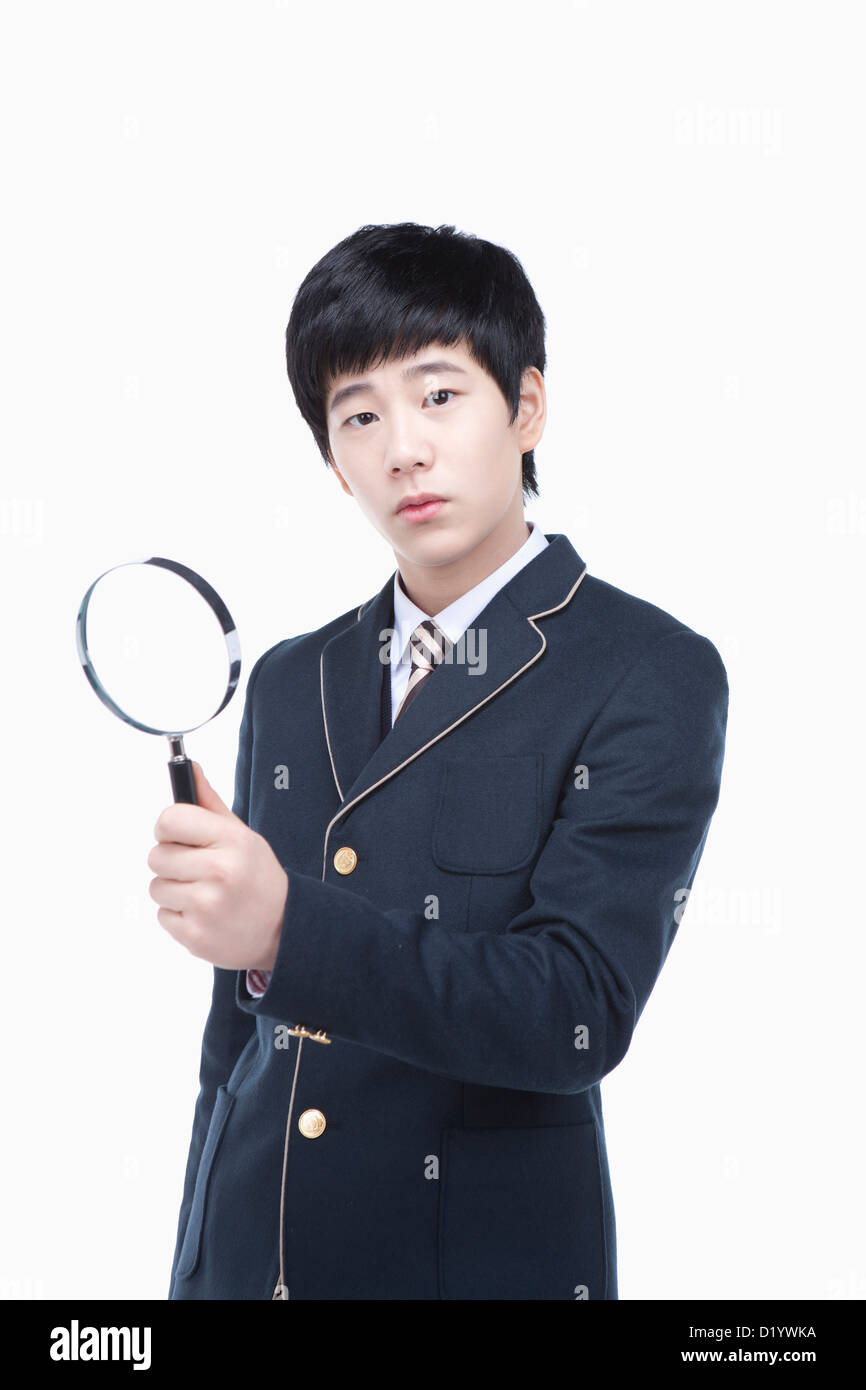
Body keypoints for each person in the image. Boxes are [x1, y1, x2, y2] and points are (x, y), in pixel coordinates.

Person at [153, 222, 729, 1300]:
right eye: (357, 416)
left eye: (438, 397)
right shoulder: (290, 677)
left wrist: (287, 926)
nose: (400, 449)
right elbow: (235, 1040)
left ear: (525, 407)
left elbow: (575, 1008)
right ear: (331, 461)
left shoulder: (647, 669)